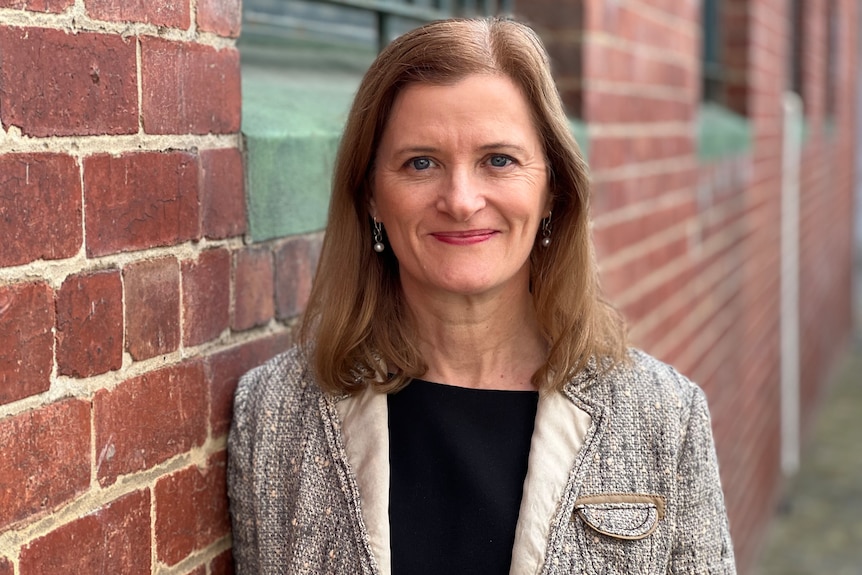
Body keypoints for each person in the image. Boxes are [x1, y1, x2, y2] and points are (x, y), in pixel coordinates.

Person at [228, 17, 736, 575]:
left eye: (499, 160)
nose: (462, 200)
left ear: (552, 193)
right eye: (421, 162)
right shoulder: (276, 411)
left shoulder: (664, 414)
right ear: (370, 195)